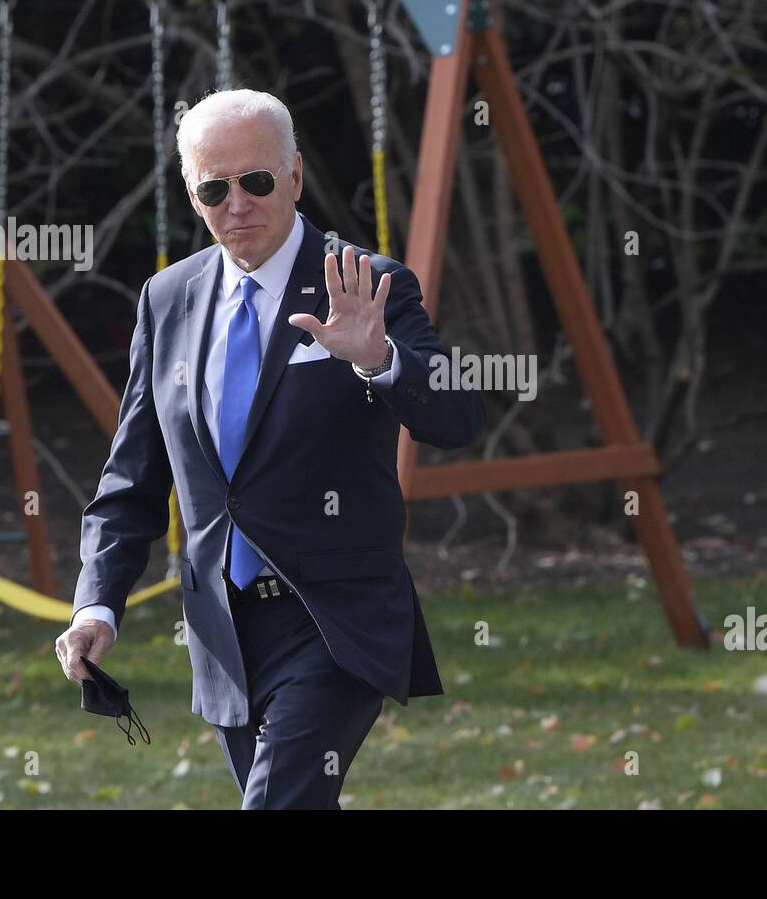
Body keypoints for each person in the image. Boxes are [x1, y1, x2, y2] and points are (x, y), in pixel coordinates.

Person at [54, 88, 485, 808]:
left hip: (333, 620)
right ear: (192, 196)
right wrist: (97, 604)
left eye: (256, 181)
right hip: (222, 631)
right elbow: (133, 478)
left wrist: (379, 360)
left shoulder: (367, 284)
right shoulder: (168, 299)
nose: (238, 204)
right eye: (214, 188)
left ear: (294, 177)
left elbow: (457, 418)